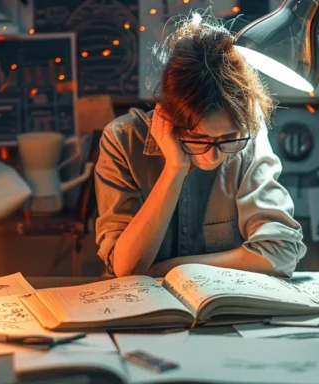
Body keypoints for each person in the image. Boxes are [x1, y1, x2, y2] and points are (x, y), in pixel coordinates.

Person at [93, 14, 305, 278]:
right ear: (168, 117)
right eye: (198, 138)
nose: (214, 155)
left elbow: (281, 254)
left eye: (227, 138)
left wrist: (176, 268)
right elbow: (126, 268)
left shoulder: (247, 133)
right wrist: (174, 168)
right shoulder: (122, 140)